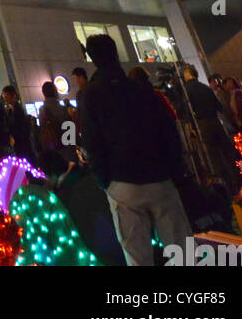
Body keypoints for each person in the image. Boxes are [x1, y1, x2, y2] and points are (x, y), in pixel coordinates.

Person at [79, 34, 192, 266]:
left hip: (122, 183)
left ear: (91, 58)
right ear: (116, 53)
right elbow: (167, 131)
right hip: (160, 177)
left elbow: (92, 140)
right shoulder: (141, 89)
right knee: (181, 252)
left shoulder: (90, 94)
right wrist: (175, 170)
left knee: (137, 255)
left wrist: (104, 180)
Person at [181, 66, 239, 192]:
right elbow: (219, 106)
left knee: (212, 156)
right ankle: (237, 180)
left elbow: (188, 111)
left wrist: (192, 127)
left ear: (188, 75)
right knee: (227, 152)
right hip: (215, 121)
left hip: (202, 124)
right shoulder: (206, 88)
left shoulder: (187, 90)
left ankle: (225, 185)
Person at [37, 80, 77, 160]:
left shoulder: (41, 111)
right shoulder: (63, 109)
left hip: (52, 152)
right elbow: (71, 133)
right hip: (67, 151)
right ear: (55, 92)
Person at [1, 85, 36, 164]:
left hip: (24, 145)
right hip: (20, 145)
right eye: (4, 96)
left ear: (13, 95)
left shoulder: (19, 110)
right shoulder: (11, 110)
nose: (4, 98)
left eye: (5, 95)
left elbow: (20, 128)